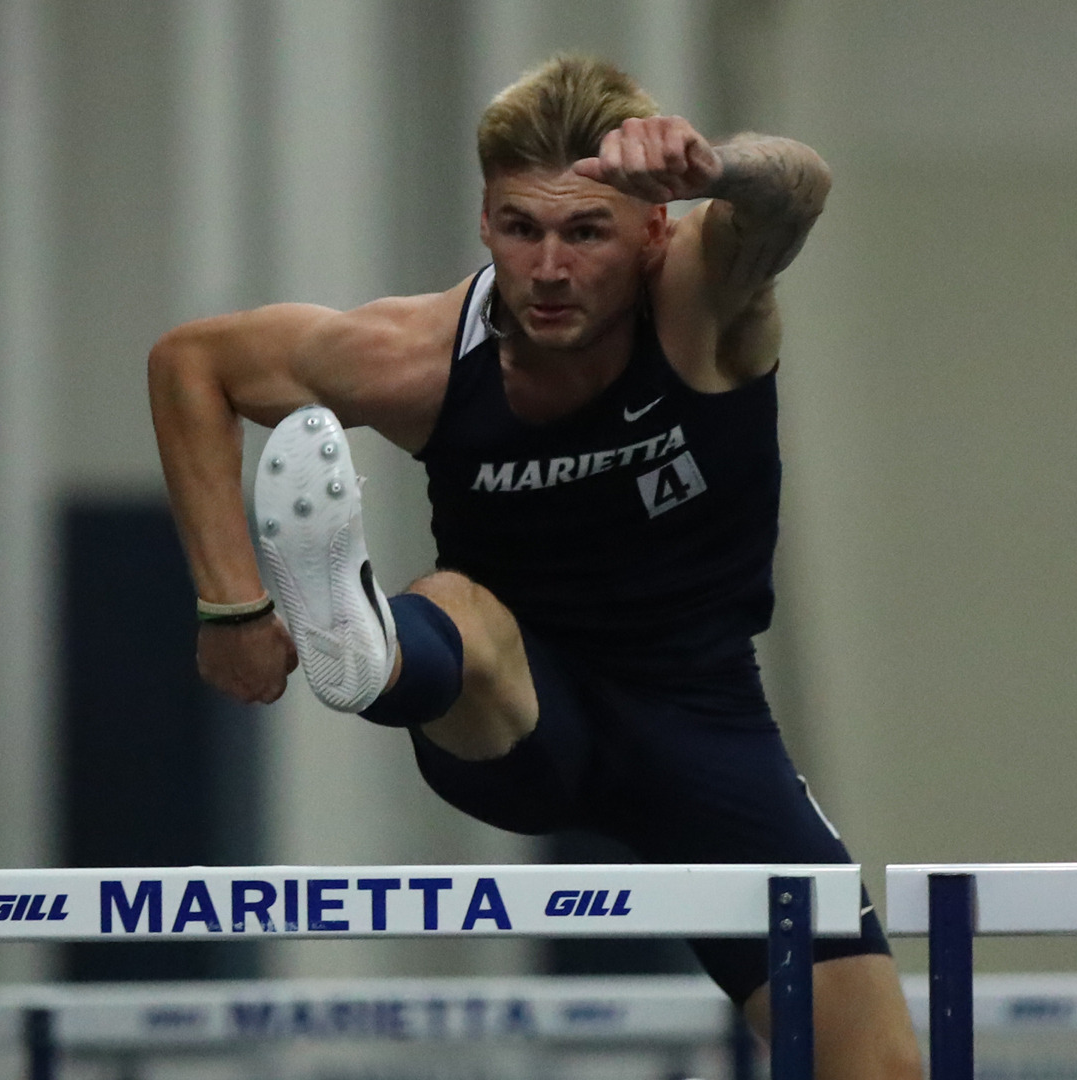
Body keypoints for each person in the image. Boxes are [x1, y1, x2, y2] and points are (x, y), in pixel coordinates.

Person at [148, 55, 921, 1080]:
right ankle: (369, 651)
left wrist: (715, 164)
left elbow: (797, 187)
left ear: (652, 231)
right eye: (523, 228)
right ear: (484, 222)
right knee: (468, 614)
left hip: (703, 727)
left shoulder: (700, 300)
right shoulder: (416, 356)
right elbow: (189, 364)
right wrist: (233, 604)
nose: (549, 268)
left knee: (879, 1071)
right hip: (515, 711)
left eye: (586, 233)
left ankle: (378, 642)